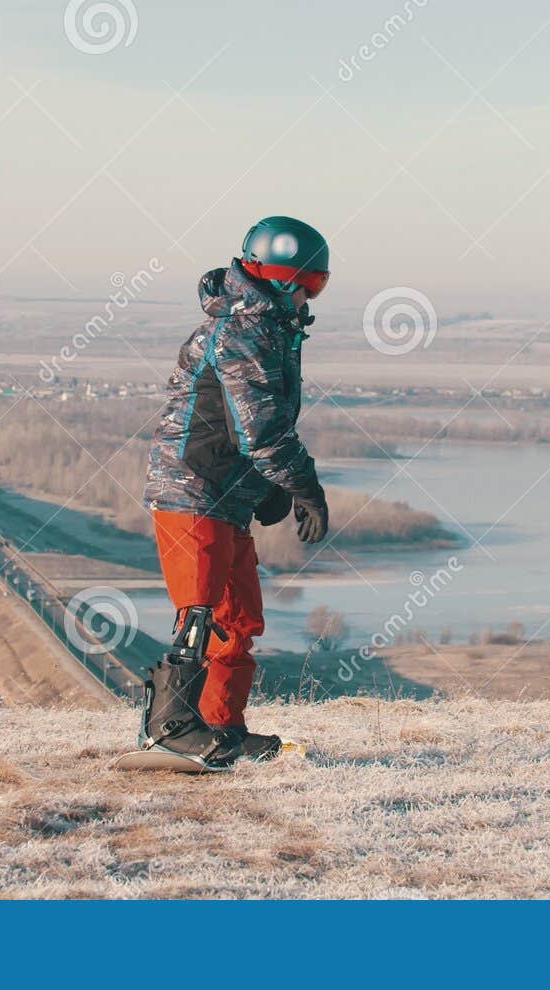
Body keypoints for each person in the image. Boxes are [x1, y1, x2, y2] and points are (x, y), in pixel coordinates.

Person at [138, 216, 331, 768]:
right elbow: (262, 430)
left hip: (227, 492)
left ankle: (220, 726)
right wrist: (303, 486)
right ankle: (169, 727)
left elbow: (252, 430)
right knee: (198, 609)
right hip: (192, 490)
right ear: (281, 278)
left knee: (238, 619)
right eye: (312, 284)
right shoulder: (241, 335)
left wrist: (266, 486)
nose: (312, 297)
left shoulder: (269, 330)